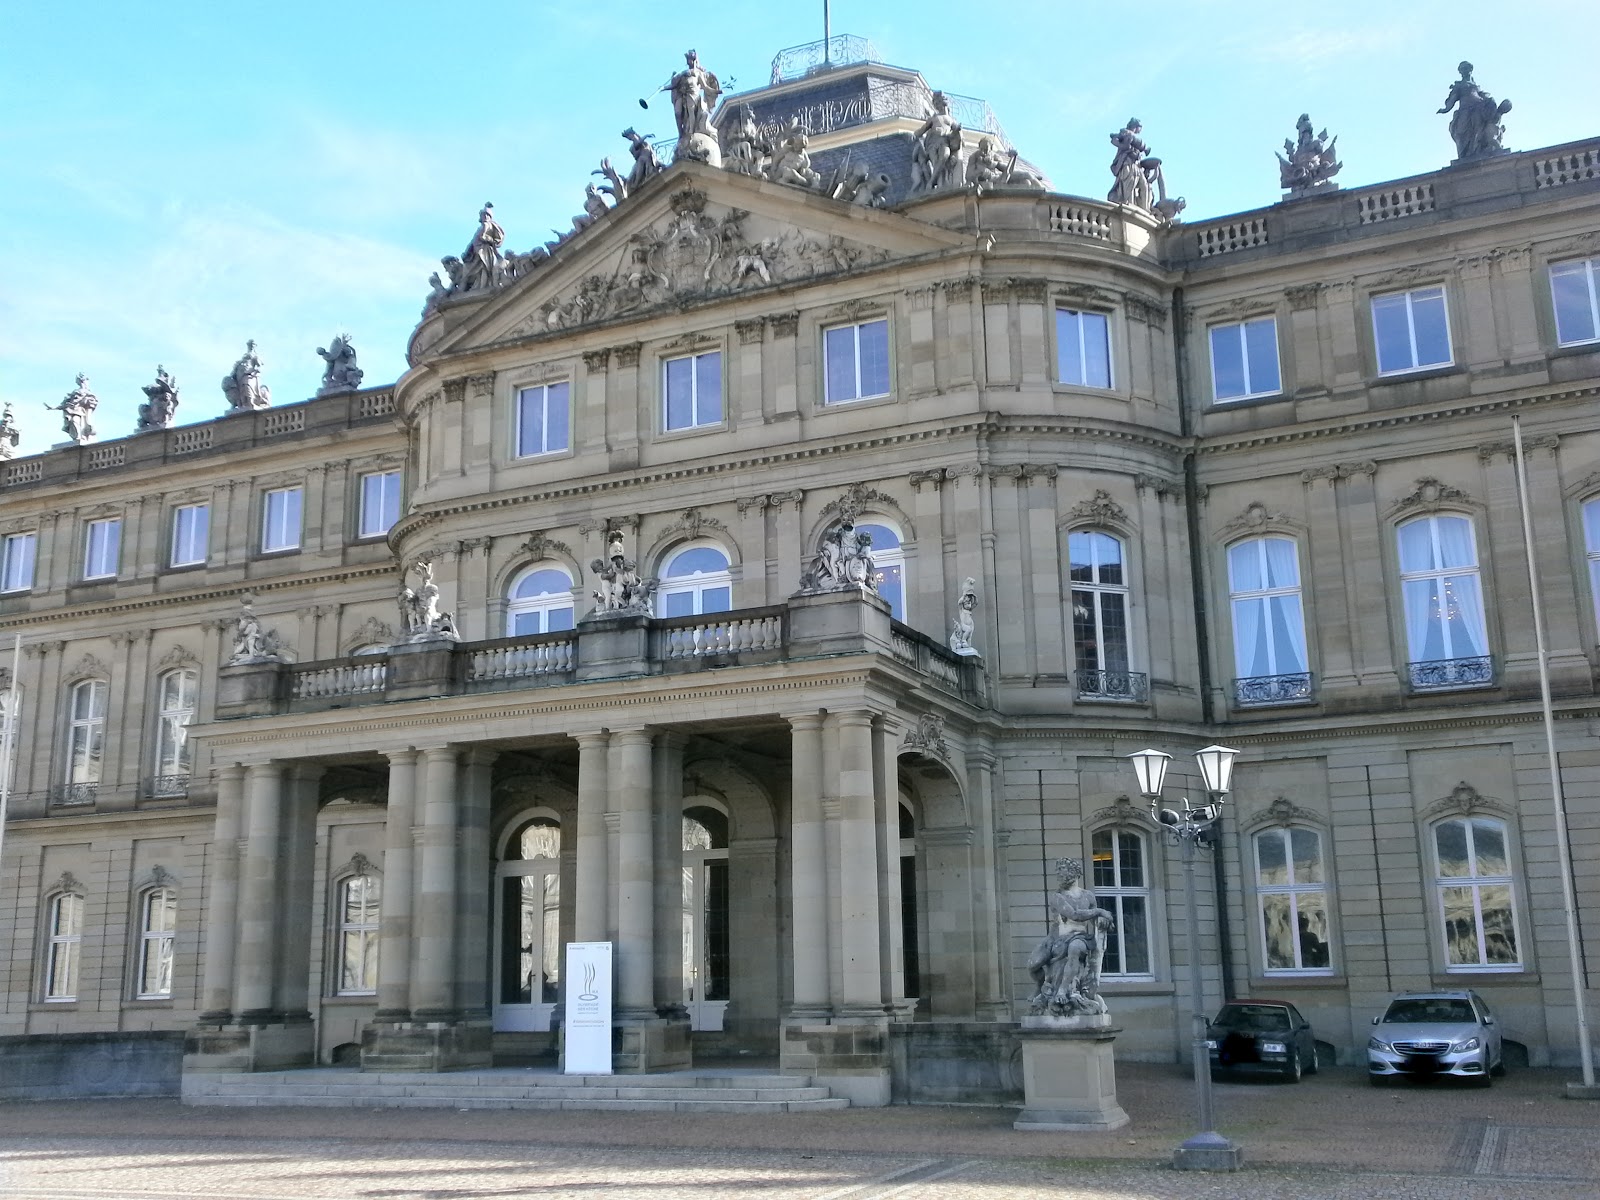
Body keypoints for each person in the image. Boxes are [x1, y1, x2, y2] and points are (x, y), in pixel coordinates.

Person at [1026, 857, 1115, 1016]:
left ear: (1074, 873)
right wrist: (1100, 912)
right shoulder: (1057, 897)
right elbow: (1074, 914)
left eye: (1063, 872)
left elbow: (1095, 921)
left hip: (1080, 938)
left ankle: (1063, 990)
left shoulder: (1088, 896)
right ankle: (1041, 985)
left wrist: (1104, 921)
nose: (1059, 876)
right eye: (1058, 873)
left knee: (1074, 949)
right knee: (1033, 965)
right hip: (1056, 939)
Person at [1438, 61, 1511, 160]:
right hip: (1465, 111)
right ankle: (1467, 154)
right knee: (1462, 132)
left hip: (1478, 108)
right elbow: (1452, 100)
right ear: (1460, 72)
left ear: (1470, 70)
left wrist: (1489, 100)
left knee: (1479, 129)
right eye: (1462, 70)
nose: (1465, 71)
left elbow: (1482, 95)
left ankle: (1479, 149)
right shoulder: (1459, 86)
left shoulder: (1475, 85)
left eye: (1466, 69)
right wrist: (1445, 109)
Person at [911, 92, 963, 194]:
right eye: (936, 104)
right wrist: (915, 135)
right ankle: (941, 184)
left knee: (945, 155)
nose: (938, 106)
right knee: (936, 163)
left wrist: (958, 131)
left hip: (944, 141)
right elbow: (922, 130)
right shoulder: (933, 118)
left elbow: (957, 132)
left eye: (939, 104)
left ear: (944, 104)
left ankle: (931, 183)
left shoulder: (951, 120)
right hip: (932, 143)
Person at [670, 50, 721, 145]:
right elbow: (674, 85)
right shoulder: (683, 73)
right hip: (684, 94)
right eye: (688, 59)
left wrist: (716, 91)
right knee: (678, 113)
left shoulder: (699, 73)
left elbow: (705, 87)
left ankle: (691, 134)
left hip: (694, 96)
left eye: (691, 59)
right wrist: (667, 86)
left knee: (692, 112)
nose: (689, 61)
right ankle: (681, 133)